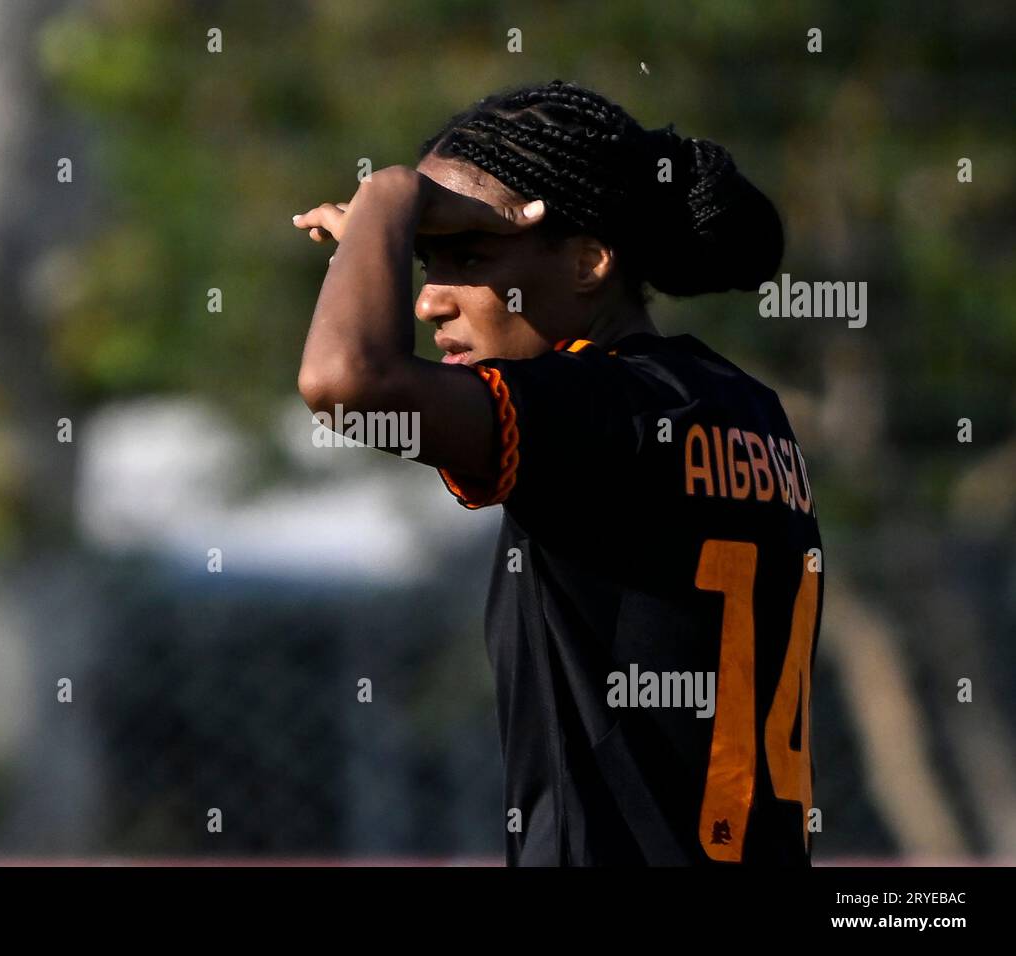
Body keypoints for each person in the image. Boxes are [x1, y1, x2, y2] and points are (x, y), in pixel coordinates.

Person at [293, 79, 822, 866]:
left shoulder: (600, 411)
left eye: (468, 255)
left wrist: (388, 193)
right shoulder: (745, 409)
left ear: (588, 261)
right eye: (424, 259)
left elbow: (346, 382)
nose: (429, 301)